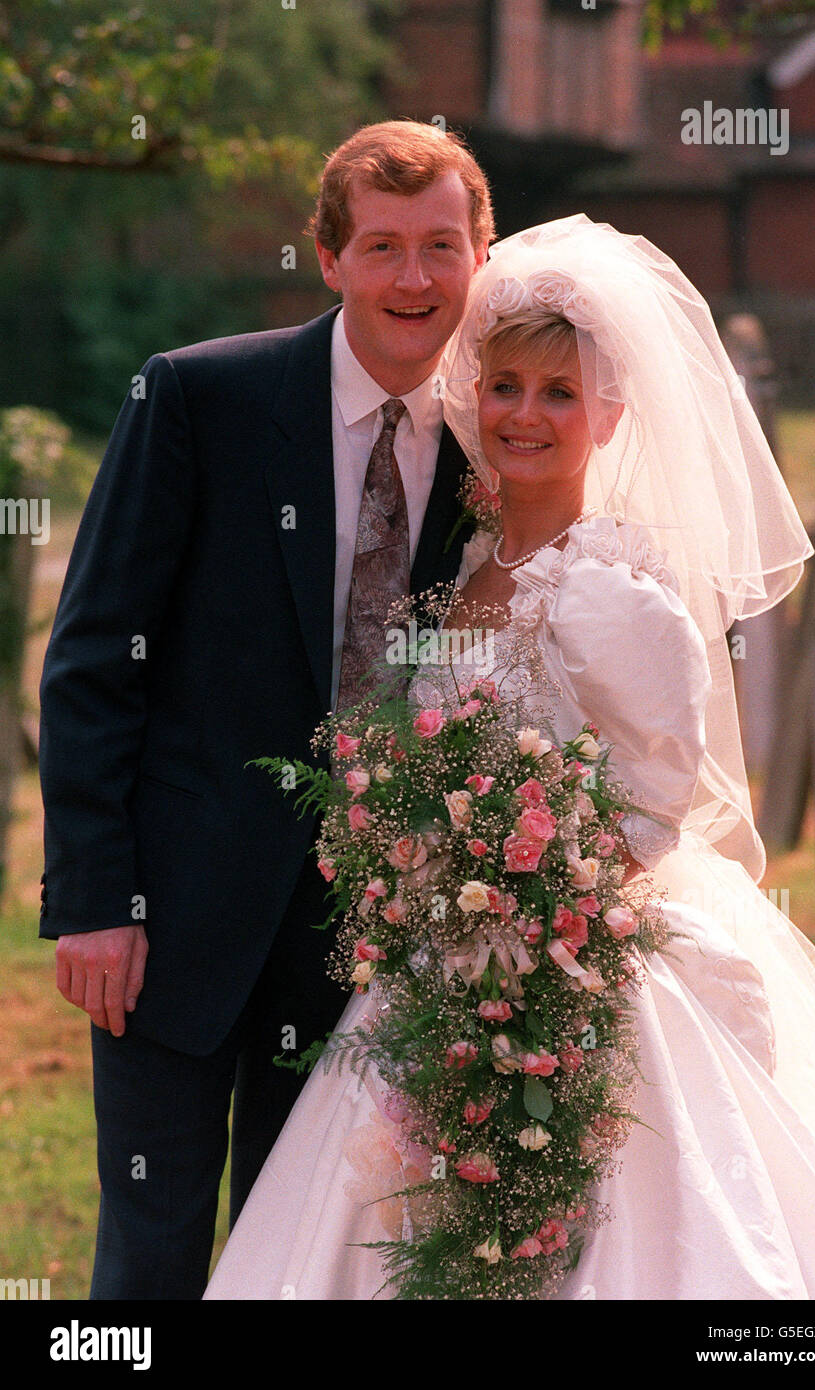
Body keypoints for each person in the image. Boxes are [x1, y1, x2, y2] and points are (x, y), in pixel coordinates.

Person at [204, 215, 815, 1300]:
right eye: (506, 385)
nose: (523, 414)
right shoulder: (463, 564)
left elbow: (658, 803)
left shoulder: (612, 596)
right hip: (435, 968)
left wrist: (530, 912)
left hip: (573, 972)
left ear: (607, 414)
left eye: (558, 394)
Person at [37, 119, 492, 1300]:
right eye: (382, 246)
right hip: (169, 924)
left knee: (306, 1263)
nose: (412, 279)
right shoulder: (199, 397)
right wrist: (94, 900)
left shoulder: (503, 445)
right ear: (328, 257)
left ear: (478, 255)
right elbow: (93, 658)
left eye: (440, 246)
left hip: (369, 947)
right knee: (150, 1258)